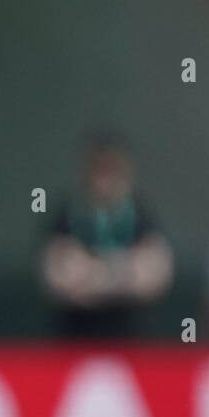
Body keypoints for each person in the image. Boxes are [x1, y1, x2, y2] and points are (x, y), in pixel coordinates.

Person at [42, 134, 172, 338]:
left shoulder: (142, 216)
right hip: (76, 338)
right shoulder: (67, 216)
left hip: (131, 338)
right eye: (100, 170)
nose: (106, 180)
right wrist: (123, 272)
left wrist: (93, 274)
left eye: (114, 171)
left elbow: (152, 278)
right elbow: (59, 278)